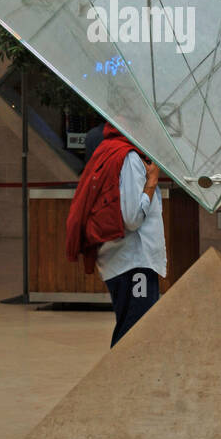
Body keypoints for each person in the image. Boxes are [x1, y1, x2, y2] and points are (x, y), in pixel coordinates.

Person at [66, 125, 166, 347]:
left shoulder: (110, 148)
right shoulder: (129, 158)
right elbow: (132, 218)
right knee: (134, 334)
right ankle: (118, 381)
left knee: (131, 329)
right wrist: (151, 184)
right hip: (134, 263)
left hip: (124, 261)